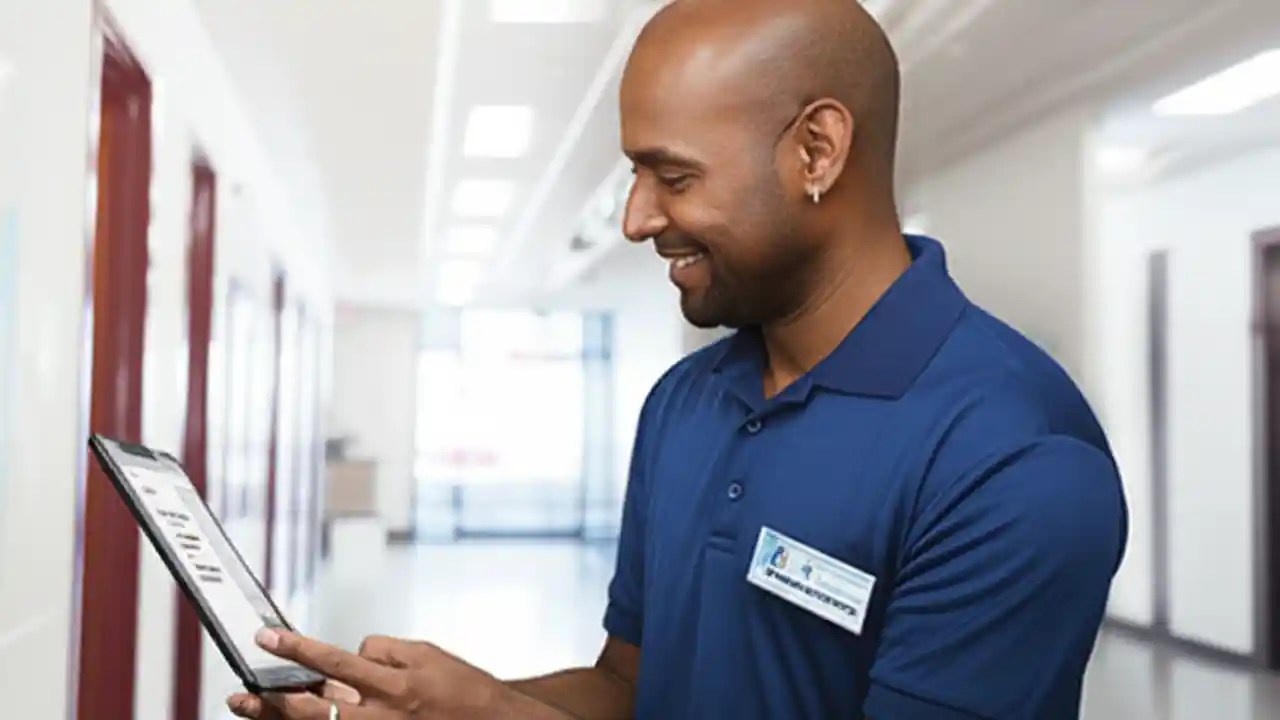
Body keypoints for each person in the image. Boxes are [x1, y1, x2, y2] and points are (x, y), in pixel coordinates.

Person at [229, 0, 1127, 717]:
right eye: (633, 174)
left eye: (676, 176)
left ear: (817, 150)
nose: (635, 219)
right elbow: (631, 687)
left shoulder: (1015, 460)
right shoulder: (685, 403)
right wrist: (436, 708)